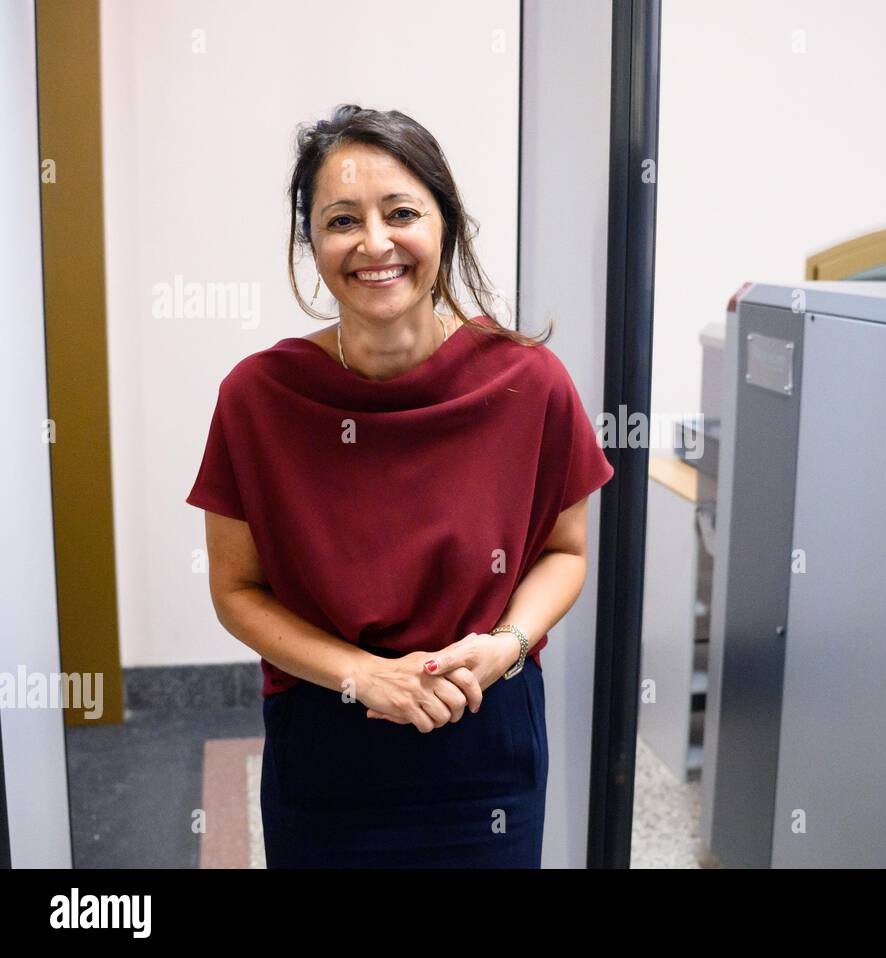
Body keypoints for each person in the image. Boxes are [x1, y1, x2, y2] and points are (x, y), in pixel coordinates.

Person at [185, 105, 614, 867]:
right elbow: (236, 589)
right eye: (342, 219)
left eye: (402, 212)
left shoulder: (527, 383)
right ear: (310, 241)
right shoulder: (258, 398)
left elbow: (567, 552)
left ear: (444, 224)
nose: (375, 243)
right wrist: (361, 675)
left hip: (485, 733)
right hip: (328, 737)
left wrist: (506, 644)